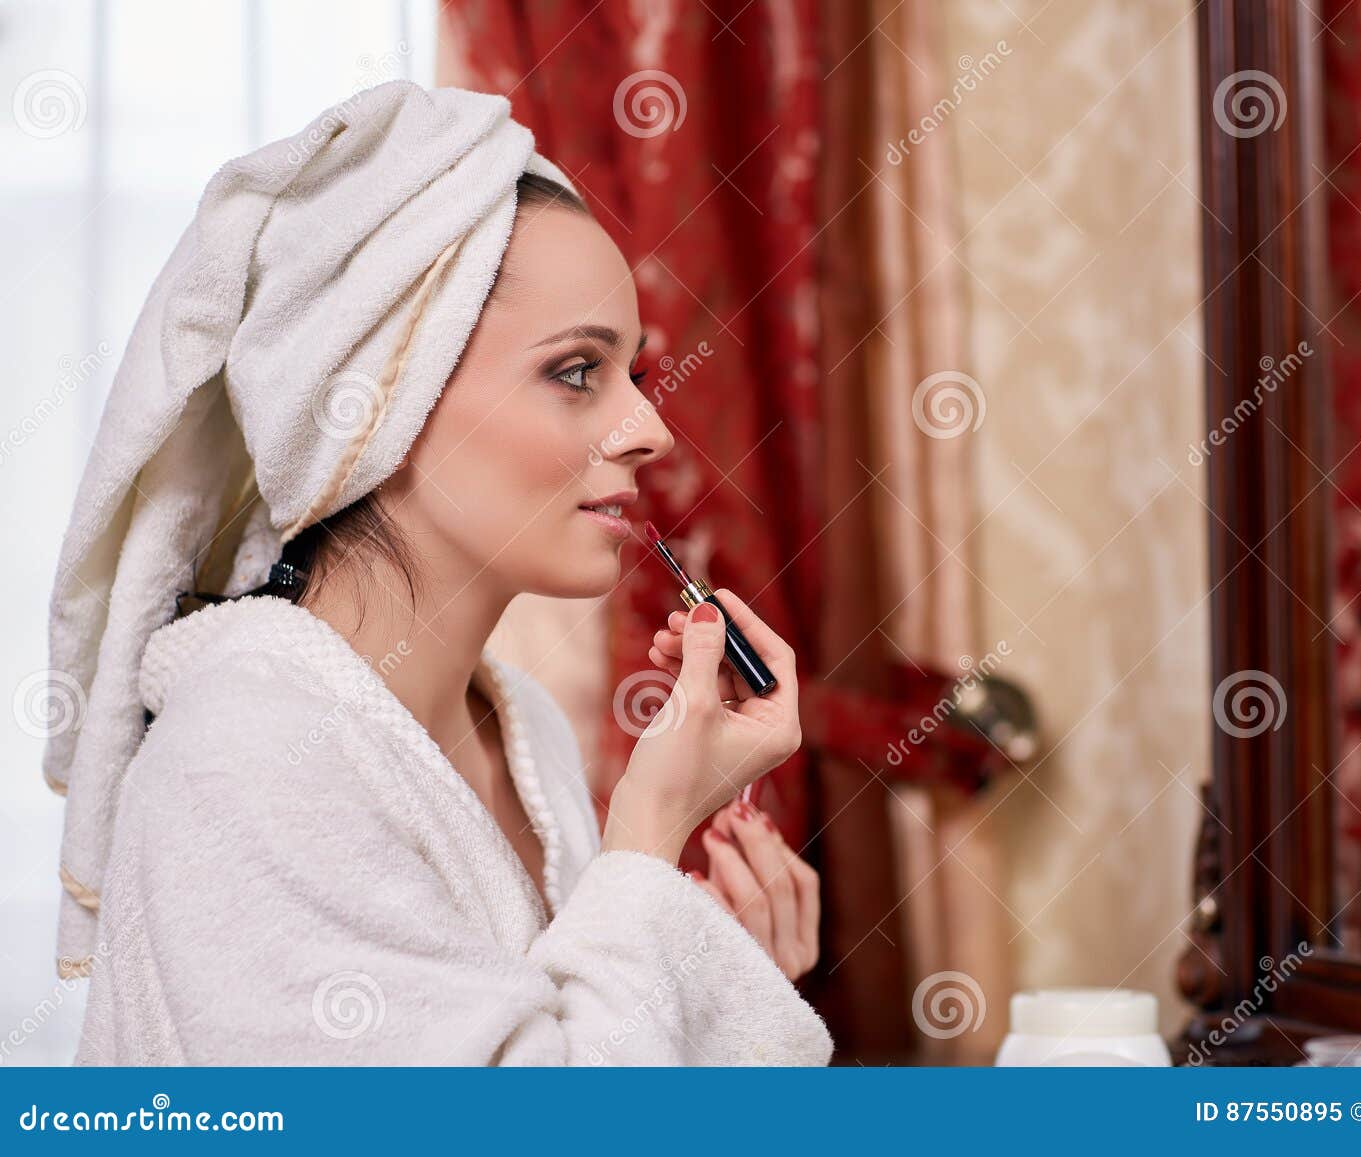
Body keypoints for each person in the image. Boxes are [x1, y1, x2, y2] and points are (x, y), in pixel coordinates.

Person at [46, 81, 831, 1065]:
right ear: (379, 401)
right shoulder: (248, 755)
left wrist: (717, 971)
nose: (649, 429)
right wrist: (651, 824)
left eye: (635, 372)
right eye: (577, 371)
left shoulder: (524, 729)